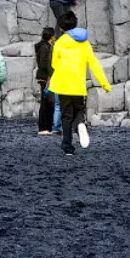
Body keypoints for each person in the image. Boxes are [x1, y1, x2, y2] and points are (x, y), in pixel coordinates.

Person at [48, 11, 112, 156]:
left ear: (62, 28)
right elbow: (94, 64)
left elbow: (54, 64)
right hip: (78, 83)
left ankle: (67, 146)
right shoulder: (84, 43)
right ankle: (80, 124)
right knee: (79, 110)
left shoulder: (59, 43)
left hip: (62, 83)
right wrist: (105, 84)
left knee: (66, 115)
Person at [35, 27, 57, 135]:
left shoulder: (43, 46)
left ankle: (47, 127)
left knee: (47, 102)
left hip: (43, 77)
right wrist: (51, 72)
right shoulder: (45, 48)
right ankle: (44, 127)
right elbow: (43, 64)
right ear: (51, 36)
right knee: (46, 103)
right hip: (45, 77)